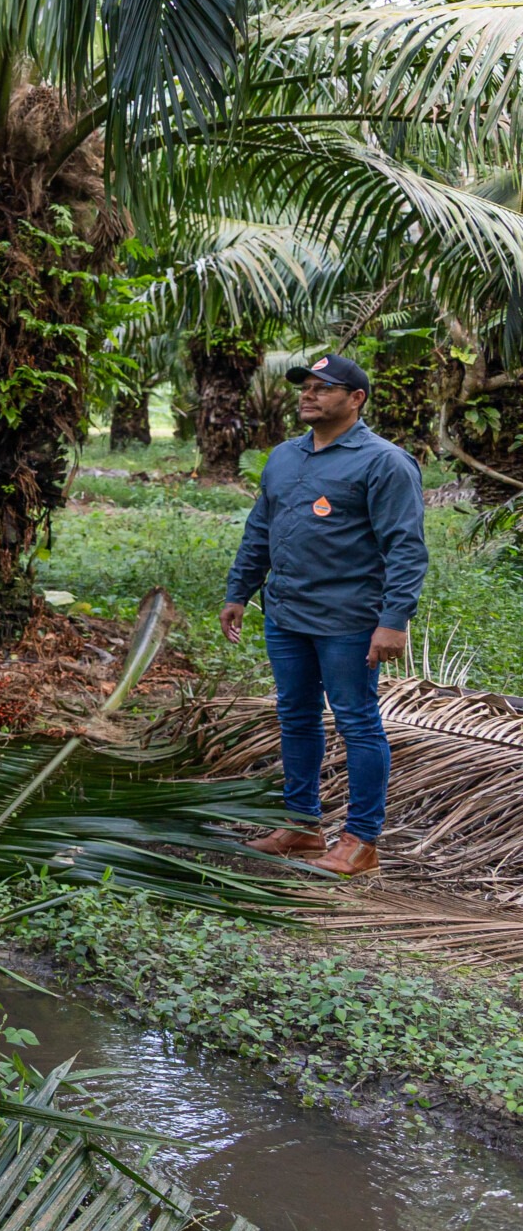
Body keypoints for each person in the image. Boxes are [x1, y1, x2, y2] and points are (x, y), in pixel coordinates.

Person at [220, 354, 426, 878]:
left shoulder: (385, 463)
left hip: (349, 620)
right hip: (286, 613)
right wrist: (239, 590)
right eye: (305, 387)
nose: (308, 395)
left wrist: (394, 620)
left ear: (356, 399)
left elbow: (406, 548)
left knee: (357, 721)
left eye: (323, 388)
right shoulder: (284, 458)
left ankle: (361, 841)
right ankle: (302, 825)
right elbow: (259, 530)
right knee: (296, 715)